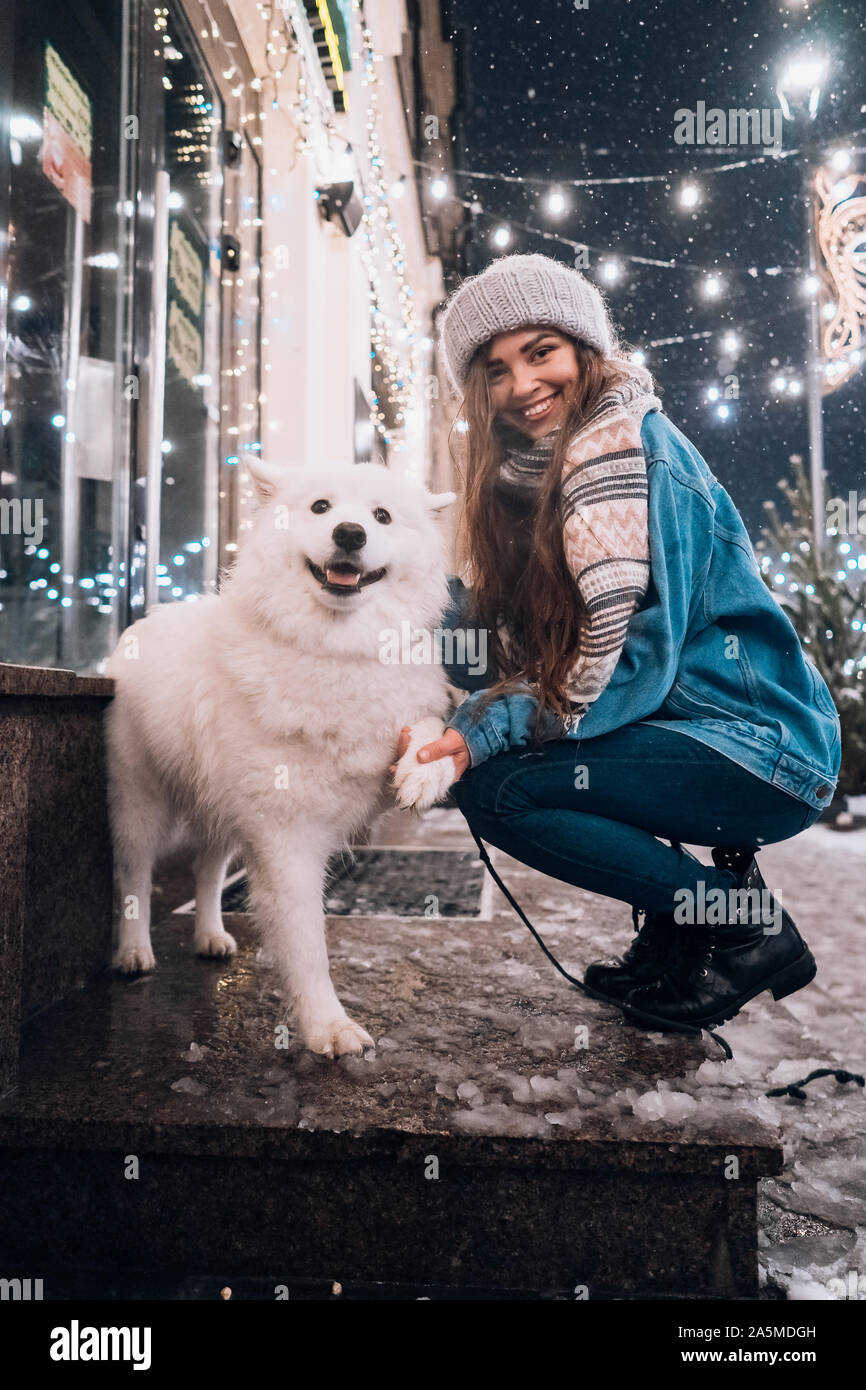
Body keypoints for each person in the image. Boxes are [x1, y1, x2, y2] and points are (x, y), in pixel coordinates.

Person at [392, 252, 841, 1037]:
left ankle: (736, 924)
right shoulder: (541, 476)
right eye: (495, 369)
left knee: (502, 789)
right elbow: (519, 654)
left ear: (582, 349)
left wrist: (481, 732)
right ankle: (679, 929)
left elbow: (625, 665)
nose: (522, 384)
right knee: (520, 757)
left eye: (541, 352)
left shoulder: (624, 455)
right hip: (707, 735)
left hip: (761, 748)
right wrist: (402, 587)